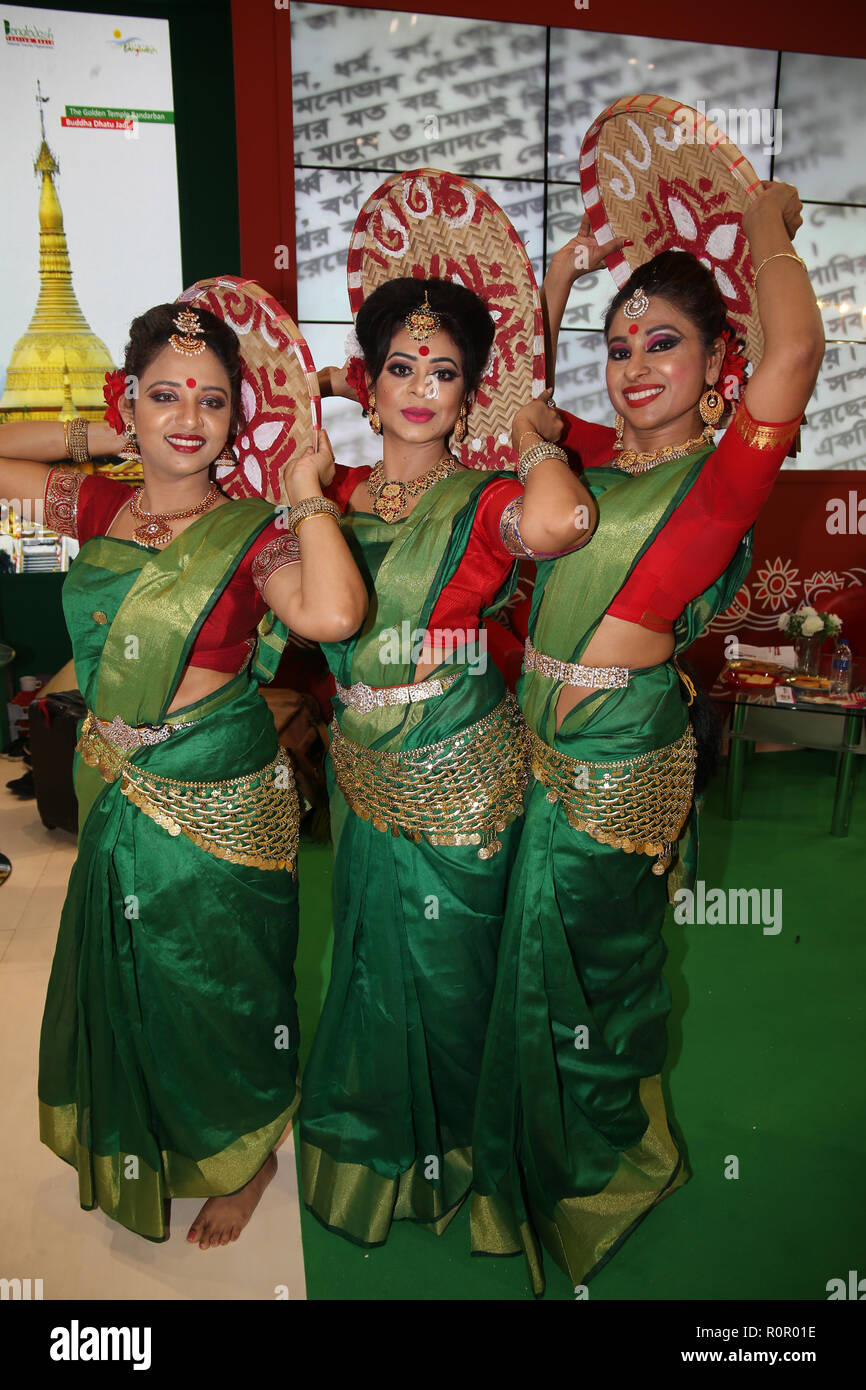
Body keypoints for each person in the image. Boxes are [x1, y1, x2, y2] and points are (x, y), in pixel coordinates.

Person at [470, 182, 825, 1294]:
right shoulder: (581, 457)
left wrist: (764, 220)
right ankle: (532, 1150)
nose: (632, 365)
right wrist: (565, 275)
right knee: (525, 963)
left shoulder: (717, 476)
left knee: (597, 971)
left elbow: (796, 351)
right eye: (619, 346)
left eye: (662, 342)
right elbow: (522, 398)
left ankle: (600, 1157)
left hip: (619, 765)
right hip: (529, 753)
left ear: (718, 360)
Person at [0, 302, 367, 1246]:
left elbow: (330, 615)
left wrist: (305, 493)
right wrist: (93, 430)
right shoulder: (94, 505)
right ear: (131, 403)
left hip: (220, 791)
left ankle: (245, 1155)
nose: (187, 417)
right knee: (136, 977)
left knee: (222, 986)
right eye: (163, 395)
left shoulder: (250, 531)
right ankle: (157, 1135)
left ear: (236, 416)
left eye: (211, 399)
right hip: (116, 779)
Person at [298, 276, 597, 1247]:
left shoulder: (487, 500)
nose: (419, 386)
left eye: (445, 372)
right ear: (368, 386)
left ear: (469, 395)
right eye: (400, 367)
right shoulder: (331, 500)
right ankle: (385, 1136)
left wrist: (532, 431)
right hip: (360, 773)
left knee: (458, 973)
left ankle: (476, 1149)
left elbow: (562, 526)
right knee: (375, 966)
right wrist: (298, 494)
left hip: (461, 773)